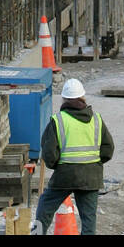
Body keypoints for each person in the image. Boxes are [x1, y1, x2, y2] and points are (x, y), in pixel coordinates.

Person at [35, 77, 114, 235]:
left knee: (44, 207)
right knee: (88, 221)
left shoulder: (58, 120)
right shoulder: (96, 119)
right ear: (83, 97)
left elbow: (49, 154)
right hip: (91, 177)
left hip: (65, 175)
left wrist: (59, 165)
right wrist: (94, 164)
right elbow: (108, 149)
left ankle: (38, 233)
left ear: (64, 99)